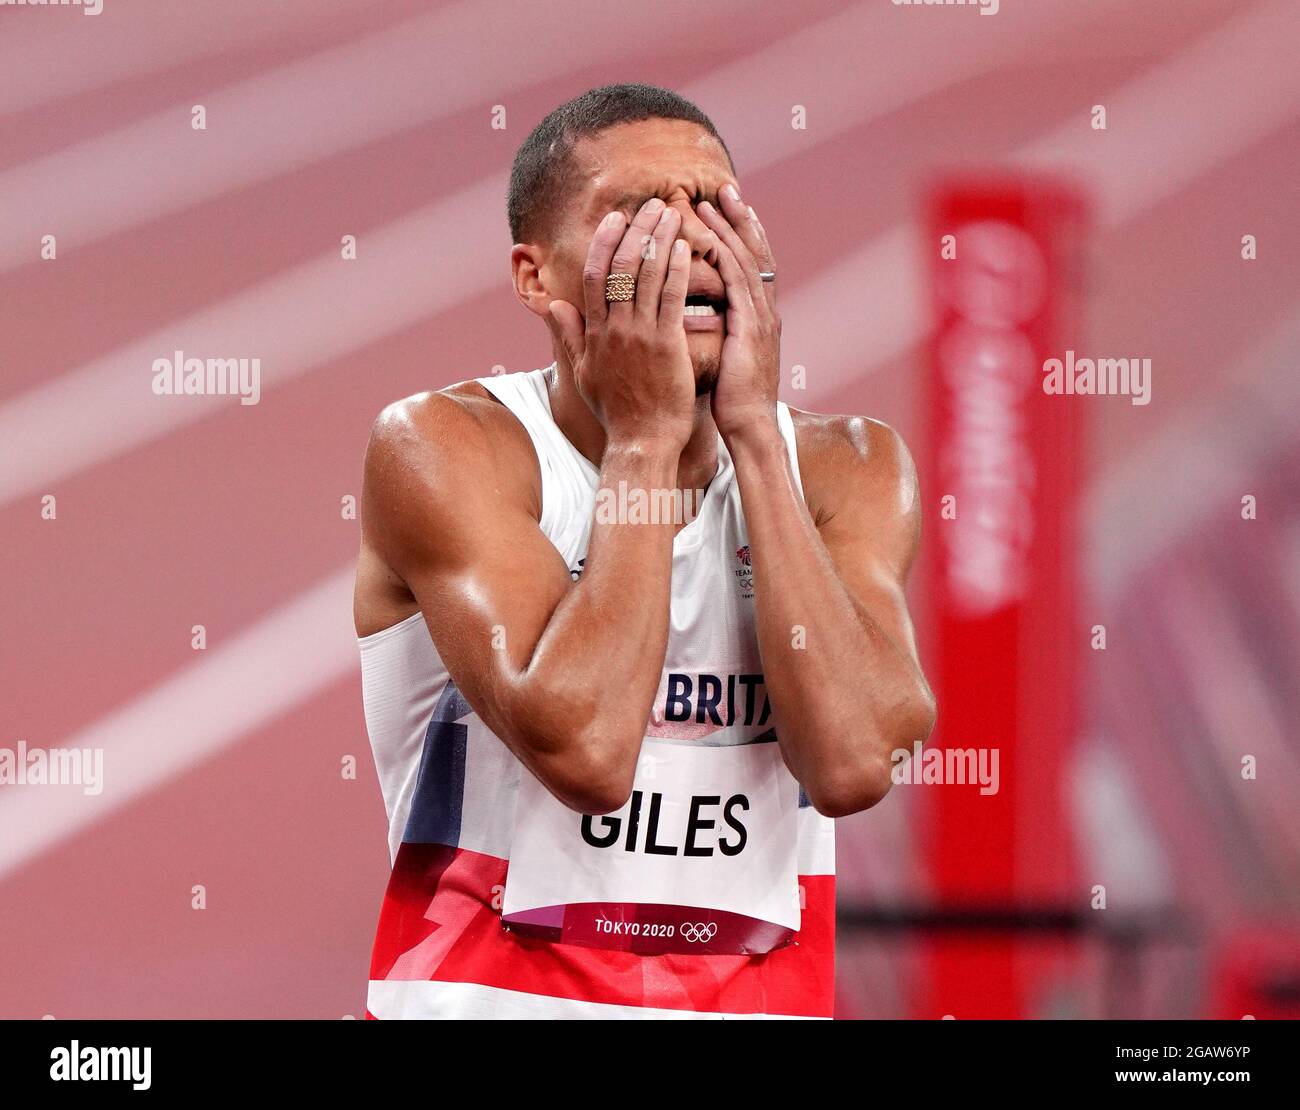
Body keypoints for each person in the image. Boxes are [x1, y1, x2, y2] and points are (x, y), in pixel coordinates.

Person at [353, 83, 934, 1019]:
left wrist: (751, 435)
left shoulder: (848, 467)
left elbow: (854, 763)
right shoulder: (448, 450)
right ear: (535, 277)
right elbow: (585, 753)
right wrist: (643, 443)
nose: (689, 242)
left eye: (712, 210)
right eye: (638, 219)